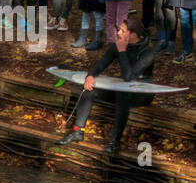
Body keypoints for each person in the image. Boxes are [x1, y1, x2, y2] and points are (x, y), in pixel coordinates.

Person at [54, 20, 156, 154]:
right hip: (124, 87)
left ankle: (115, 142)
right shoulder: (118, 46)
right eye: (119, 29)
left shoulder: (147, 52)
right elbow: (100, 65)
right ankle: (77, 131)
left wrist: (123, 51)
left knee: (122, 94)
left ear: (133, 35)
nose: (118, 33)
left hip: (142, 92)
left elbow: (128, 76)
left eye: (123, 31)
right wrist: (90, 75)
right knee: (89, 89)